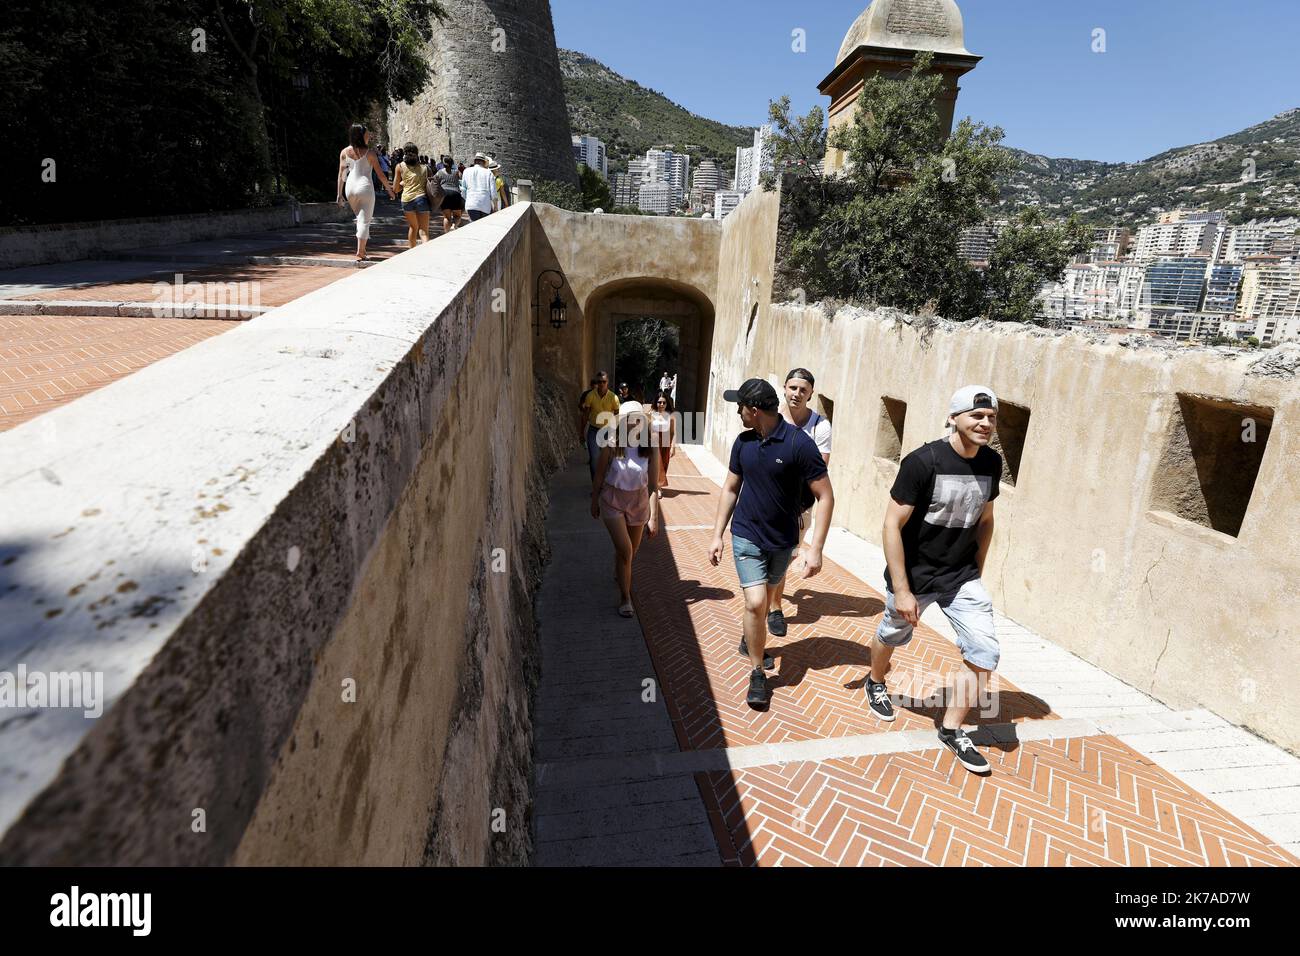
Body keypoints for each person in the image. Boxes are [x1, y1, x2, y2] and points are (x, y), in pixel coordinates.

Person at [867, 385, 1004, 775]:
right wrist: (904, 590)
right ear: (954, 418)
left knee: (985, 652)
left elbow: (987, 520)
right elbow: (892, 525)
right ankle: (876, 680)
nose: (985, 423)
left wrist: (976, 569)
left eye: (991, 417)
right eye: (977, 415)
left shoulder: (991, 464)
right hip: (915, 576)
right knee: (893, 634)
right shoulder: (922, 462)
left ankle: (952, 728)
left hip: (961, 576)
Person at [708, 379, 833, 709]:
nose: (737, 413)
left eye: (740, 407)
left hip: (782, 541)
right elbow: (731, 488)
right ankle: (758, 674)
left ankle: (750, 634)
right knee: (755, 602)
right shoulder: (743, 443)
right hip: (747, 534)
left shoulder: (798, 445)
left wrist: (815, 548)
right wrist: (717, 534)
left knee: (764, 599)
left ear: (755, 410)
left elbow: (825, 494)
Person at [769, 367, 833, 636]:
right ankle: (766, 608)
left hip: (798, 507)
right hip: (766, 500)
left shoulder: (820, 425)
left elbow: (818, 470)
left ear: (811, 394)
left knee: (782, 560)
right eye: (793, 388)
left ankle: (774, 607)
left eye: (803, 390)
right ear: (784, 388)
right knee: (761, 558)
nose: (797, 393)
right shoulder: (771, 418)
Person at [591, 401, 660, 618]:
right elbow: (599, 475)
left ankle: (620, 571)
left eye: (637, 419)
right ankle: (625, 597)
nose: (633, 423)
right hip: (612, 500)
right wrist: (594, 500)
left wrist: (653, 517)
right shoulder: (612, 444)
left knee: (630, 551)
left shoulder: (651, 445)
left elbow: (653, 485)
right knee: (625, 551)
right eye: (628, 419)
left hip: (638, 503)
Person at [337, 124, 395, 263]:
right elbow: (381, 175)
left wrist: (339, 194)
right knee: (364, 220)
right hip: (365, 187)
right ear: (361, 135)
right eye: (367, 134)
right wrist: (389, 190)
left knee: (360, 218)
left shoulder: (344, 152)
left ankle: (362, 249)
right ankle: (361, 251)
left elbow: (341, 174)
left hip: (350, 187)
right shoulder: (370, 153)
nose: (369, 136)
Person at [577, 371, 619, 479]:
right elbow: (585, 415)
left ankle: (606, 483)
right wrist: (581, 432)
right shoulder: (590, 396)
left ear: (607, 382)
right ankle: (596, 485)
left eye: (604, 382)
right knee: (594, 458)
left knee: (608, 459)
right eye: (599, 382)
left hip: (608, 431)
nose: (601, 384)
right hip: (593, 430)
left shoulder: (614, 398)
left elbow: (618, 418)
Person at [393, 143, 434, 248]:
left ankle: (411, 253)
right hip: (421, 199)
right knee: (424, 232)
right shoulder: (425, 168)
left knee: (413, 227)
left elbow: (395, 189)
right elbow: (433, 185)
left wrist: (403, 184)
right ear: (417, 153)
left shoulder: (400, 167)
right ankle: (426, 254)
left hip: (406, 200)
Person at [651, 393, 676, 499]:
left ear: (667, 403)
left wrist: (673, 447)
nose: (661, 404)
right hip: (654, 442)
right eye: (659, 402)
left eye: (663, 402)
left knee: (664, 465)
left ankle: (659, 486)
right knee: (657, 465)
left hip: (666, 443)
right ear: (656, 403)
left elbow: (673, 432)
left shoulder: (671, 416)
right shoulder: (651, 414)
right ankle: (657, 487)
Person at [463, 152, 497, 222]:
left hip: (471, 203)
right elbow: (493, 192)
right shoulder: (488, 172)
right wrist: (495, 207)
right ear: (484, 162)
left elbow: (463, 189)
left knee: (474, 226)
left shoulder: (466, 171)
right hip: (485, 205)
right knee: (483, 226)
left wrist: (467, 200)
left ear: (475, 161)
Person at [435, 157, 465, 232]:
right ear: (452, 163)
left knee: (446, 217)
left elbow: (434, 181)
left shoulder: (439, 172)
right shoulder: (456, 172)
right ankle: (454, 225)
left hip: (444, 194)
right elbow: (462, 178)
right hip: (455, 193)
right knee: (457, 215)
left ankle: (446, 234)